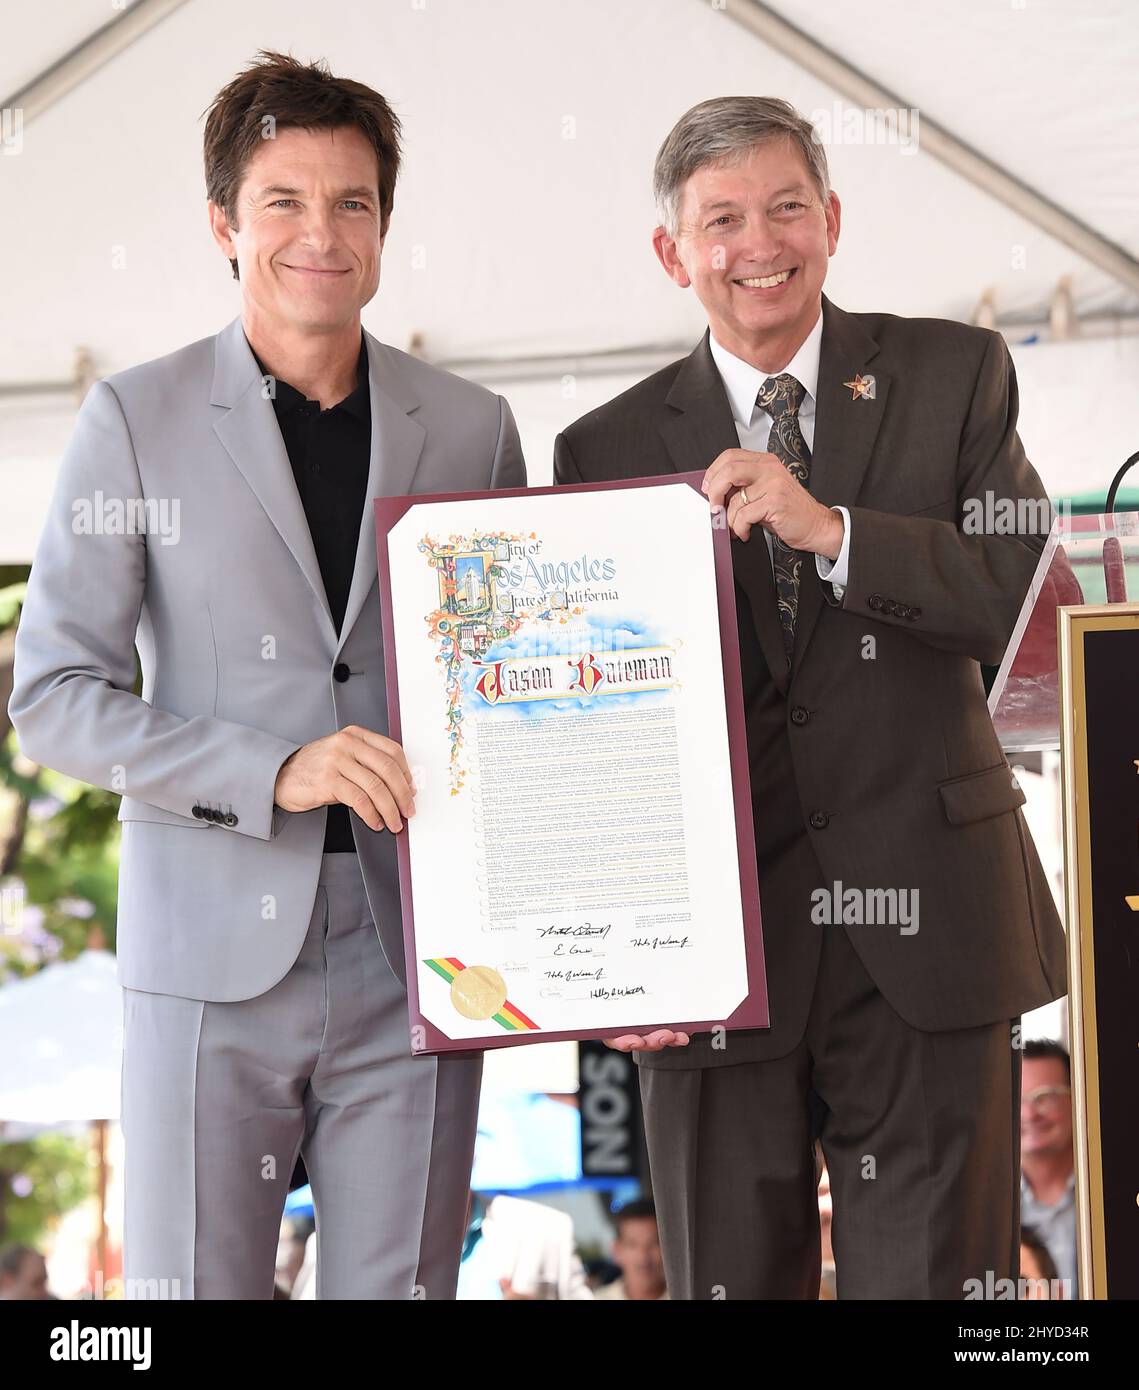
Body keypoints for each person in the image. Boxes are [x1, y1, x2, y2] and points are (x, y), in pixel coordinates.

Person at [8, 50, 525, 1300]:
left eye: (352, 202)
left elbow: (515, 697)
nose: (320, 232)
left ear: (385, 228)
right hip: (206, 956)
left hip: (422, 955)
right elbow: (54, 700)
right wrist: (273, 769)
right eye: (284, 201)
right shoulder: (131, 418)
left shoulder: (470, 428)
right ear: (223, 227)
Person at [554, 96, 1066, 1299]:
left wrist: (832, 531)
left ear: (831, 220)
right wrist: (603, 962)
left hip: (933, 933)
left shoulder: (953, 371)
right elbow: (584, 729)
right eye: (720, 219)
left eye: (786, 207)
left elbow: (1013, 592)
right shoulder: (600, 447)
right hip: (709, 966)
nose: (758, 242)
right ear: (671, 253)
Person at [1020, 1039, 1078, 1297]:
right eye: (1016, 1099)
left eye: (1044, 1097)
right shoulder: (983, 1207)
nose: (1030, 1114)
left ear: (1077, 1099)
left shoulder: (1117, 1191)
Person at [593, 1198, 668, 1300]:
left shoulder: (687, 1295)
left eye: (654, 1244)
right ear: (616, 1250)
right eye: (632, 1245)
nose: (643, 1257)